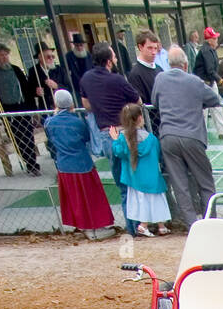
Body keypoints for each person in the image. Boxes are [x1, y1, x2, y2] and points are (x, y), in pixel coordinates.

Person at [151, 45, 220, 226]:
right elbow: (214, 99)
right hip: (192, 136)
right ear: (185, 64)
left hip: (168, 136)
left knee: (179, 185)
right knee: (205, 182)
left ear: (168, 63)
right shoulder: (194, 81)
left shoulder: (160, 78)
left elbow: (154, 101)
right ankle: (210, 222)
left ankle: (192, 226)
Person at [80, 42, 141, 232]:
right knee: (135, 179)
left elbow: (87, 105)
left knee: (121, 182)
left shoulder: (86, 79)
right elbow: (137, 100)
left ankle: (132, 227)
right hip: (125, 130)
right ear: (108, 61)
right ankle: (140, 224)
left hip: (106, 133)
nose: (115, 60)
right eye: (113, 57)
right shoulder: (117, 80)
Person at [43, 88, 114, 239]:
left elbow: (51, 139)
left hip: (64, 164)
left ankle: (84, 227)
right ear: (71, 104)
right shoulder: (78, 123)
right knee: (91, 196)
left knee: (75, 198)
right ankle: (97, 227)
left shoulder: (49, 123)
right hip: (82, 163)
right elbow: (86, 138)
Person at [110, 102, 170, 236]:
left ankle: (144, 225)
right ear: (139, 118)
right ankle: (160, 225)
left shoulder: (123, 138)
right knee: (158, 200)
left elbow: (119, 152)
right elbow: (157, 155)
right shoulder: (151, 138)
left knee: (142, 202)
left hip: (135, 177)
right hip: (153, 176)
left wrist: (115, 140)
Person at [0, 42, 39, 174]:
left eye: (6, 55)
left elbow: (26, 88)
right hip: (7, 110)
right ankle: (27, 160)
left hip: (22, 106)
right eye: (1, 55)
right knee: (16, 136)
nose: (5, 57)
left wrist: (33, 108)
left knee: (27, 134)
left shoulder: (15, 70)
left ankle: (32, 163)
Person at [127, 29, 161, 133]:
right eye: (150, 48)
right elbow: (139, 104)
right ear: (140, 47)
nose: (153, 52)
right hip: (151, 126)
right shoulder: (135, 74)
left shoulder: (159, 69)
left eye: (155, 48)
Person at [194, 27, 223, 138]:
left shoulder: (211, 50)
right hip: (204, 83)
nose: (217, 40)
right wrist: (221, 81)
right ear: (209, 40)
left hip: (211, 82)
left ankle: (221, 132)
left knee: (217, 106)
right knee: (204, 110)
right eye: (215, 38)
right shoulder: (206, 51)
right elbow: (210, 70)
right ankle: (203, 134)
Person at [27, 44, 70, 111]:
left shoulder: (60, 69)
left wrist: (56, 86)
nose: (51, 59)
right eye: (48, 57)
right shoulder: (33, 71)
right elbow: (29, 91)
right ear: (40, 57)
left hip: (61, 106)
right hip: (45, 108)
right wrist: (36, 92)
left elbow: (69, 88)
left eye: (53, 56)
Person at [66, 33, 91, 102]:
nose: (79, 48)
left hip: (89, 86)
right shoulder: (69, 56)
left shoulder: (88, 55)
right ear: (74, 45)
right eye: (77, 46)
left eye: (81, 45)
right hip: (76, 87)